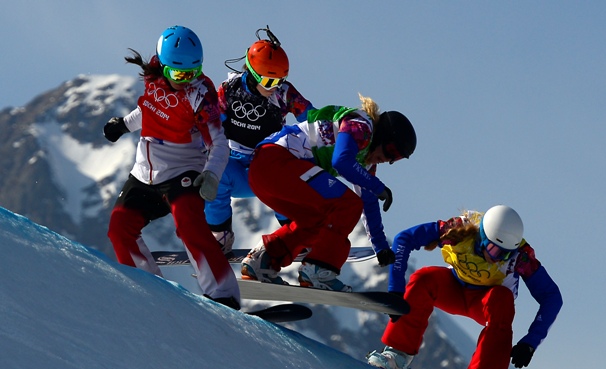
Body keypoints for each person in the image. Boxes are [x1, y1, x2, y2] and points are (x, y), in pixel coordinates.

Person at [366, 205, 563, 369]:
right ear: (483, 236)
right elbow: (404, 238)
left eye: (505, 254)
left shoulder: (520, 257)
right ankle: (398, 355)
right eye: (494, 250)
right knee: (423, 277)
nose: (497, 258)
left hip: (486, 303)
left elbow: (551, 297)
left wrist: (531, 342)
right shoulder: (461, 228)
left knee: (502, 299)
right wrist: (396, 289)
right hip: (453, 290)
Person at [103, 25, 241, 309]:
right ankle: (149, 292)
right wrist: (124, 124)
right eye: (178, 74)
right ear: (162, 65)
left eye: (193, 72)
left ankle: (223, 294)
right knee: (119, 228)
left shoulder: (201, 94)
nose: (185, 80)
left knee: (188, 222)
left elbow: (219, 142)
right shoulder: (153, 75)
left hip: (183, 171)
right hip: (144, 173)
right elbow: (151, 108)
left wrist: (212, 175)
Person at [241, 95, 416, 292]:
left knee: (317, 220)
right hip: (275, 162)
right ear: (384, 134)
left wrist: (380, 246)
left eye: (397, 159)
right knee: (347, 205)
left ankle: (264, 259)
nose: (389, 160)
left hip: (266, 174)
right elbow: (341, 161)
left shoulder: (366, 161)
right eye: (392, 151)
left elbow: (369, 202)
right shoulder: (361, 126)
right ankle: (320, 269)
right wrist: (377, 186)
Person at [206, 26, 314, 253]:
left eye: (279, 81)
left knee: (284, 177)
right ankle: (220, 235)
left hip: (267, 166)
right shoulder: (229, 90)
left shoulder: (283, 93)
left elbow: (311, 117)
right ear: (253, 75)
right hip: (237, 169)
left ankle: (297, 233)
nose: (274, 88)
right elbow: (210, 125)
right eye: (268, 82)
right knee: (215, 174)